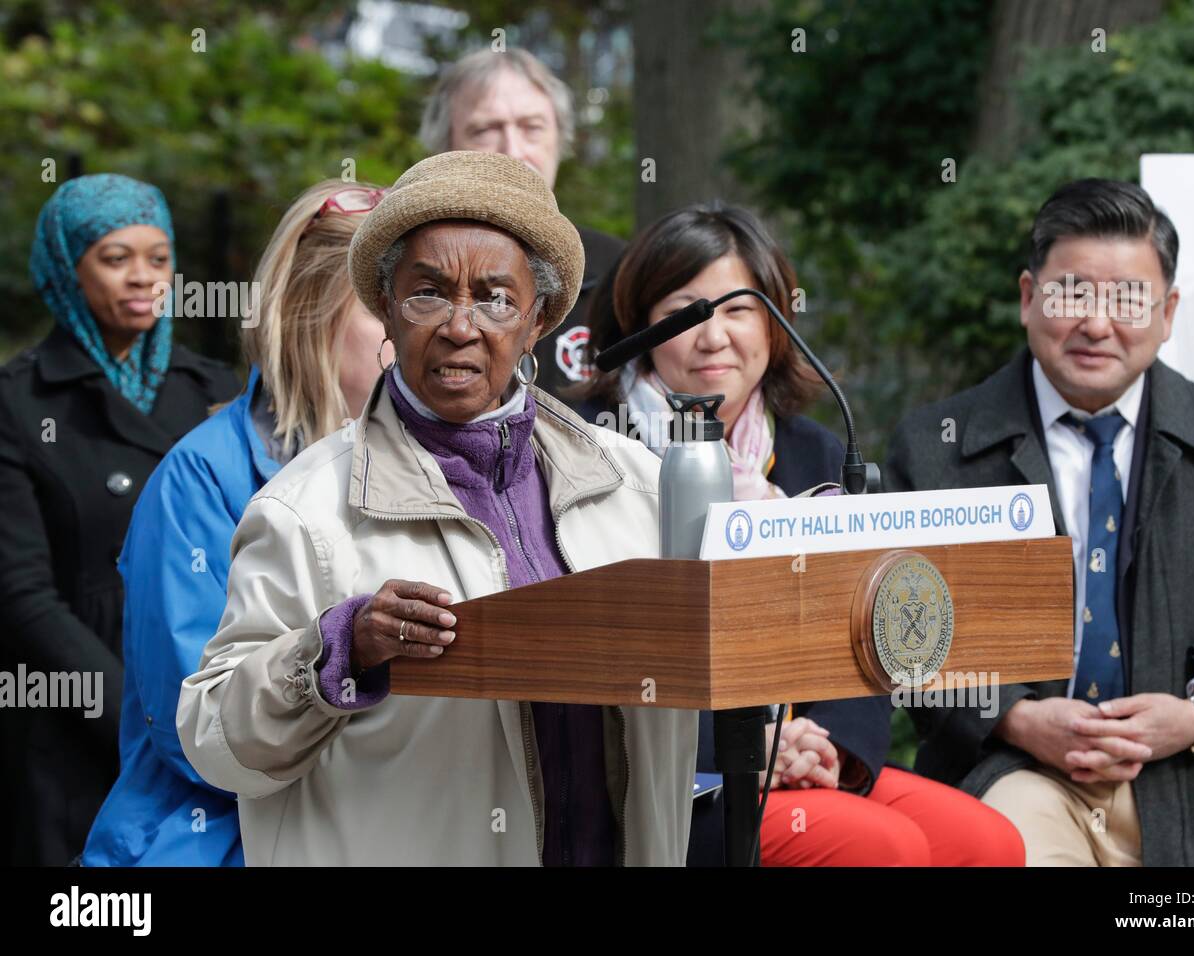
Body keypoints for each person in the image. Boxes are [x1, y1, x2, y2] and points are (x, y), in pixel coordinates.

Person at [176, 151, 697, 866]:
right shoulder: (306, 509)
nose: (460, 325)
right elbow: (214, 741)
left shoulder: (635, 485)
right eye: (427, 293)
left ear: (537, 318)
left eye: (494, 298)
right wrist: (341, 647)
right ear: (387, 307)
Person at [578, 202, 1025, 866]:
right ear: (639, 320)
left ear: (775, 321)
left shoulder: (814, 452)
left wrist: (829, 749)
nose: (714, 335)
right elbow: (591, 657)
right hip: (667, 776)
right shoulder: (588, 448)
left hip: (801, 751)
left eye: (738, 309)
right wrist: (740, 749)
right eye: (685, 310)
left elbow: (867, 626)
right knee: (883, 846)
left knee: (986, 841)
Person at [884, 178, 1194, 866]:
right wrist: (1015, 716)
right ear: (1027, 298)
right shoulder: (938, 447)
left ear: (1167, 313)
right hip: (1012, 774)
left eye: (1129, 299)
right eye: (1071, 293)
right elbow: (901, 634)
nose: (1097, 324)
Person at [81, 180, 387, 866]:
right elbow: (198, 734)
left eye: (419, 298)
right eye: (381, 303)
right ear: (313, 310)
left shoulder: (430, 464)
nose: (419, 327)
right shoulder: (199, 478)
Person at [0, 174, 240, 865]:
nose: (144, 278)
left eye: (159, 259)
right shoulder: (19, 403)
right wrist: (141, 718)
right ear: (66, 269)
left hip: (210, 707)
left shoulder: (214, 390)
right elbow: (22, 594)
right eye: (115, 258)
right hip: (80, 725)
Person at [420, 48, 624, 396]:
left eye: (532, 128)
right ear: (445, 147)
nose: (512, 150)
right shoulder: (407, 271)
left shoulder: (619, 272)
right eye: (485, 129)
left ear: (560, 141)